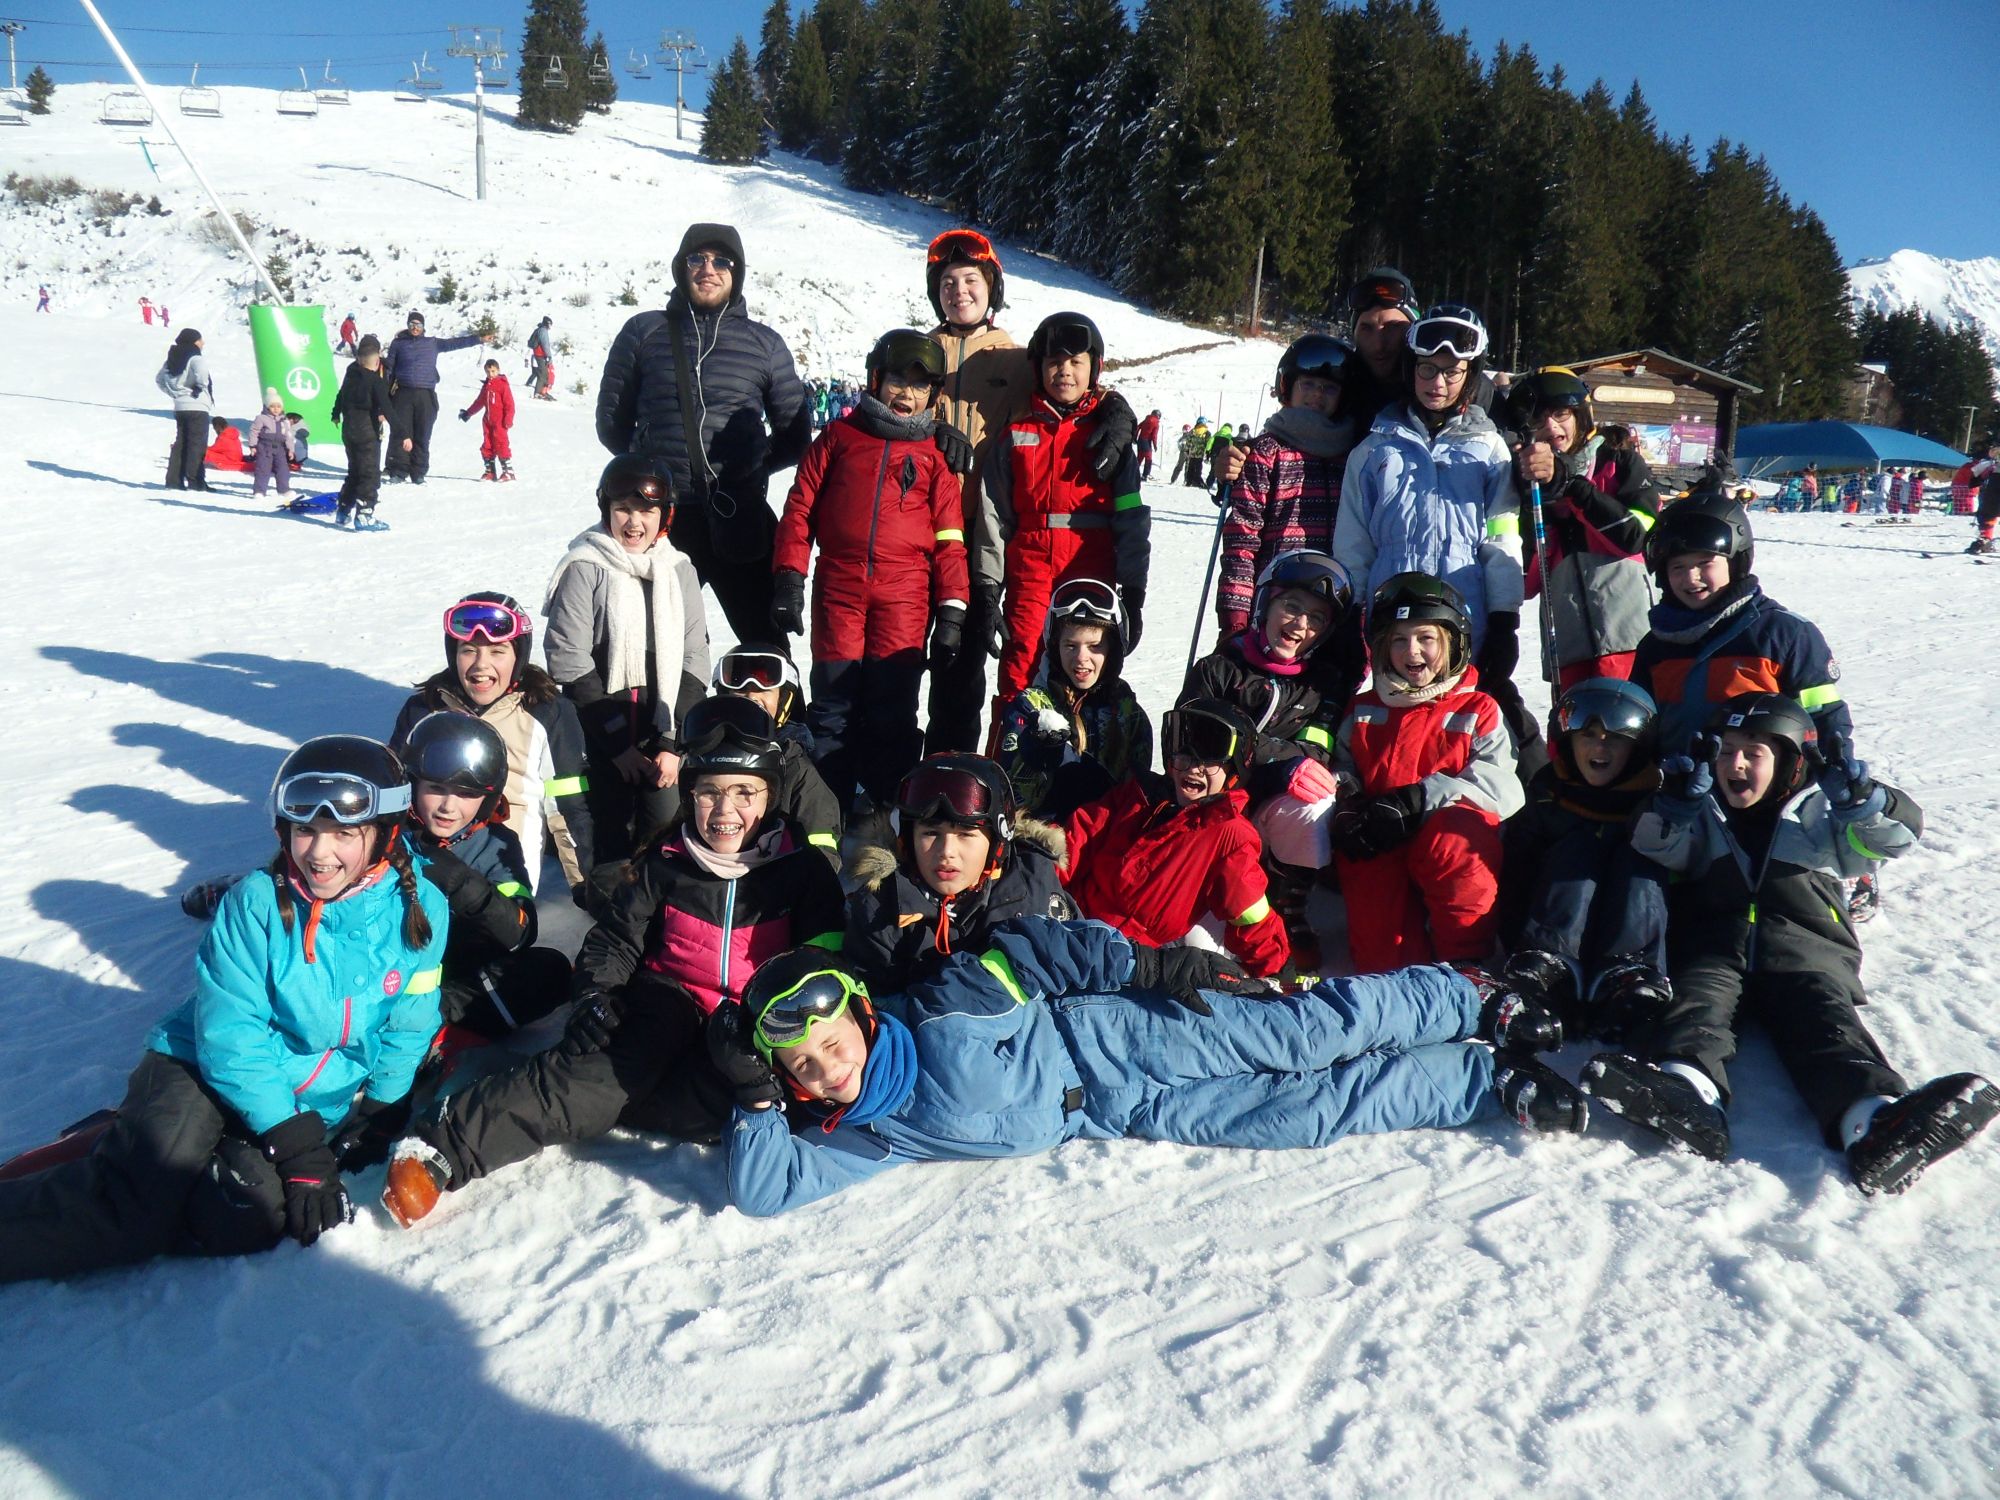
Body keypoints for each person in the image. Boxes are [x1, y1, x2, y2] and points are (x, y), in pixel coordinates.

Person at [706, 920, 1582, 1218]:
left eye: (833, 1044)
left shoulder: (942, 1007)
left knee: (1304, 1034)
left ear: (862, 1016)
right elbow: (764, 1187)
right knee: (1305, 1113)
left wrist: (1147, 968)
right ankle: (1481, 1082)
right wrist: (750, 1095)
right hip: (1122, 1113)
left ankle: (1466, 998)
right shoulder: (871, 1132)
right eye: (804, 1070)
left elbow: (1040, 952)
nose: (828, 1072)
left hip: (1131, 1032)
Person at [379, 705, 847, 1227]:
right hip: (669, 1000)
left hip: (753, 1020)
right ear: (689, 794)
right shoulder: (665, 862)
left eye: (744, 792)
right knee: (599, 1081)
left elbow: (822, 968)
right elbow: (616, 941)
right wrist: (595, 996)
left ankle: (640, 1096)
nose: (724, 809)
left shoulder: (803, 873)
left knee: (727, 1099)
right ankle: (447, 1142)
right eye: (710, 791)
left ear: (771, 796)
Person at [0, 738, 446, 1281]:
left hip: (305, 1097)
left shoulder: (423, 907)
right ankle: (134, 1170)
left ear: (383, 834)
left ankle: (147, 1158)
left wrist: (382, 1107)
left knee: (246, 1215)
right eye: (305, 830)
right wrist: (297, 1144)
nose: (320, 854)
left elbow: (412, 1019)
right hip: (198, 1069)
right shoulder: (255, 904)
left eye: (345, 834)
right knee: (133, 1210)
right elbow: (230, 1035)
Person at [1583, 695, 1998, 1195]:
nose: (1734, 764)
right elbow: (1655, 845)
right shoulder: (1704, 805)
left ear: (1787, 761)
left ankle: (1873, 1122)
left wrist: (1865, 803)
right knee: (1696, 1009)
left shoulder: (1823, 813)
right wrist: (1673, 806)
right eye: (1726, 750)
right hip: (1716, 947)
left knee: (1825, 1024)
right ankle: (1687, 1093)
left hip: (1805, 952)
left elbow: (1893, 840)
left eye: (1752, 753)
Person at [771, 328, 968, 817]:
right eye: (898, 379)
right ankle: (825, 815)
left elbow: (950, 540)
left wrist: (952, 609)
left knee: (892, 712)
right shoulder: (839, 438)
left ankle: (886, 815)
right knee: (833, 708)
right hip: (839, 588)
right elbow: (800, 510)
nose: (907, 393)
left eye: (920, 385)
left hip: (905, 599)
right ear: (876, 380)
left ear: (933, 396)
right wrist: (790, 576)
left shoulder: (934, 458)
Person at [595, 222, 813, 644]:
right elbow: (611, 422)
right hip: (661, 521)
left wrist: (749, 468)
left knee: (764, 642)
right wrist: (652, 471)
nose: (708, 269)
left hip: (740, 516)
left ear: (737, 273)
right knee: (655, 645)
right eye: (697, 258)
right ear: (681, 268)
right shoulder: (644, 332)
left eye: (721, 261)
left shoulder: (764, 344)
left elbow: (794, 434)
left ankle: (777, 711)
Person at [1329, 573, 1522, 974]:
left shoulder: (1477, 708)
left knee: (1454, 842)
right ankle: (1394, 981)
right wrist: (1348, 803)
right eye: (1399, 640)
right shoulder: (1364, 708)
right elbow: (1342, 767)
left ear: (1452, 642)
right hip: (1383, 832)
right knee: (1368, 885)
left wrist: (1422, 798)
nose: (1411, 650)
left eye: (1425, 638)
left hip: (1445, 834)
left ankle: (1468, 963)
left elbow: (1501, 784)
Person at [1184, 551, 1360, 966]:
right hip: (1209, 811)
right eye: (1292, 607)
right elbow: (1198, 739)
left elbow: (1315, 752)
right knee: (1199, 950)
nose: (1300, 626)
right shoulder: (1219, 669)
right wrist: (1279, 760)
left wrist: (1278, 765)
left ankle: (1288, 903)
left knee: (1317, 800)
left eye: (1316, 619)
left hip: (1266, 804)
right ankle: (1218, 898)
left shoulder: (1322, 685)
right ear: (1267, 605)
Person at [1336, 304, 1524, 693]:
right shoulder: (1374, 450)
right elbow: (1353, 543)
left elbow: (1501, 539)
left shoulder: (1489, 450)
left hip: (1464, 619)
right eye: (1428, 368)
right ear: (1411, 369)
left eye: (1452, 371)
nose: (1438, 382)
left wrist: (1505, 619)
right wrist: (1351, 615)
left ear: (1470, 376)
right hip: (1393, 623)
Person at [978, 312, 1148, 733]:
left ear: (1095, 368)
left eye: (1076, 362)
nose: (1065, 372)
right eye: (1055, 362)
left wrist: (1135, 589)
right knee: (1022, 665)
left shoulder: (1111, 436)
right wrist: (986, 586)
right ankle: (1009, 768)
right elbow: (993, 515)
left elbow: (1130, 515)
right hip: (1031, 564)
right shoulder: (1017, 432)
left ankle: (1088, 764)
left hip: (1091, 565)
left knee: (1087, 665)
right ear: (1038, 367)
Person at [544, 455, 709, 867]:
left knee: (666, 831)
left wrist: (671, 744)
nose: (634, 524)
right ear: (607, 511)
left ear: (664, 516)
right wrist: (617, 746)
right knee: (607, 832)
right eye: (623, 510)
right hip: (601, 731)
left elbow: (695, 656)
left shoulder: (678, 570)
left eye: (646, 512)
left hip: (661, 730)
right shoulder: (585, 566)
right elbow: (568, 656)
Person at [390, 591, 596, 900]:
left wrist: (585, 886)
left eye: (497, 651)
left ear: (518, 656)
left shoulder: (546, 711)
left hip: (504, 869)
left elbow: (566, 807)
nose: (480, 665)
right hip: (422, 867)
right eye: (468, 650)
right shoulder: (424, 710)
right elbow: (394, 797)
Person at [1063, 699, 1291, 978]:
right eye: (1185, 755)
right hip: (1070, 923)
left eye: (1209, 760)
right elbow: (1076, 842)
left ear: (1234, 771)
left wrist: (1271, 967)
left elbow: (1248, 909)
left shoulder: (1228, 833)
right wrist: (1041, 888)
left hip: (1130, 959)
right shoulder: (1136, 798)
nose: (1193, 768)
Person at [925, 231, 1046, 755]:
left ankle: (953, 764)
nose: (959, 291)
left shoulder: (1015, 358)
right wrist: (931, 432)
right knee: (902, 656)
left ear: (991, 287)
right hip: (919, 527)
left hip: (980, 532)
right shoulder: (920, 352)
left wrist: (1114, 410)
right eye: (947, 283)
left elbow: (1071, 390)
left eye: (970, 280)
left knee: (964, 662)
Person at [1496, 677, 1669, 1041]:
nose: (1599, 747)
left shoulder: (1657, 799)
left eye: (1616, 738)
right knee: (1578, 850)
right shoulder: (1548, 794)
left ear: (1639, 747)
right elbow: (1515, 873)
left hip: (1629, 926)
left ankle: (1630, 976)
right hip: (1556, 928)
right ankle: (1547, 966)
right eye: (1587, 735)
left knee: (1640, 857)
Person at [397, 711, 572, 1065]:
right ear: (412, 784)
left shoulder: (496, 842)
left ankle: (438, 1030)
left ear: (487, 797)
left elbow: (520, 932)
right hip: (388, 974)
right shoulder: (387, 834)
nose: (448, 806)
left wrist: (461, 883)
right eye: (435, 789)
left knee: (548, 970)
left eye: (466, 793)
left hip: (457, 976)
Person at [1629, 489, 1853, 764]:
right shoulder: (1657, 646)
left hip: (1760, 795)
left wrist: (1835, 773)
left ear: (1735, 564)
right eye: (1678, 567)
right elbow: (1639, 728)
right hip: (1678, 796)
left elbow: (1824, 718)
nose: (1691, 577)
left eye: (1705, 563)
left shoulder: (1783, 634)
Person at [845, 754, 1072, 992]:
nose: (946, 852)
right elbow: (874, 1010)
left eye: (966, 834)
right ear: (907, 840)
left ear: (997, 842)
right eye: (930, 833)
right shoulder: (880, 909)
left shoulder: (1034, 887)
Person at [1508, 366, 1661, 688]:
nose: (1550, 427)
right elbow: (1526, 582)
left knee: (1624, 726)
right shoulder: (1528, 481)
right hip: (1568, 638)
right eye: (1538, 419)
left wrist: (1571, 487)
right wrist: (1534, 500)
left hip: (1627, 635)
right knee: (1571, 730)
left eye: (1561, 414)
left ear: (1581, 414)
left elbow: (1635, 538)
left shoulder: (1617, 461)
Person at [1217, 335, 1361, 643]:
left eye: (1329, 388)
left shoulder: (1351, 457)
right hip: (1273, 603)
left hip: (1330, 603)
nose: (1317, 396)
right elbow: (1242, 540)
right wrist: (1235, 617)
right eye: (1308, 385)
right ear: (1288, 386)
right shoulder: (1267, 452)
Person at [993, 579, 1153, 822]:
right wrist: (1038, 758)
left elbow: (1137, 796)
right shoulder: (1030, 708)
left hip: (1107, 838)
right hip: (1046, 840)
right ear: (1054, 646)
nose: (1081, 658)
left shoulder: (1129, 714)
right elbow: (1013, 799)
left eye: (1094, 646)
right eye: (1070, 646)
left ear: (1113, 650)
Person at [708, 646, 842, 863]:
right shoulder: (707, 759)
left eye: (764, 690)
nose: (751, 696)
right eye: (740, 690)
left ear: (783, 701)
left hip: (774, 886)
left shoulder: (795, 768)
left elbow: (822, 851)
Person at [382, 309, 494, 485]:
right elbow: (389, 369)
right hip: (403, 393)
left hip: (426, 395)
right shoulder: (398, 344)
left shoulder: (432, 343)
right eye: (412, 324)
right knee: (401, 434)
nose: (415, 328)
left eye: (418, 325)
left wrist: (478, 339)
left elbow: (454, 343)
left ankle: (418, 473)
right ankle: (398, 471)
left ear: (423, 327)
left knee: (422, 434)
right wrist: (384, 397)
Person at [1341, 268, 1421, 427]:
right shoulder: (1336, 388)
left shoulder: (1448, 386)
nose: (1378, 345)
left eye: (1393, 327)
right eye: (1366, 328)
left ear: (1414, 329)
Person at [330, 333, 394, 530]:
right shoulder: (366, 375)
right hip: (366, 430)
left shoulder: (360, 370)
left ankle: (343, 510)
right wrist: (403, 433)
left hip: (352, 429)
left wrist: (336, 413)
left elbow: (342, 393)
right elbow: (384, 404)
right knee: (369, 473)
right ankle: (365, 515)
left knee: (355, 471)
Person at [155, 327, 214, 493]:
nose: (203, 343)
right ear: (194, 341)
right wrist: (199, 386)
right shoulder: (195, 357)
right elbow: (202, 375)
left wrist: (176, 393)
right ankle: (196, 482)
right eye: (200, 339)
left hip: (180, 406)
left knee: (180, 443)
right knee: (197, 445)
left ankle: (174, 481)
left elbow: (159, 380)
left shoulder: (172, 358)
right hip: (197, 405)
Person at [459, 357, 517, 482]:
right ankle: (490, 472)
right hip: (488, 421)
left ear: (498, 371)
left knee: (501, 444)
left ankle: (508, 472)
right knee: (487, 445)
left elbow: (510, 404)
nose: (491, 374)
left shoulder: (503, 386)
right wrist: (468, 413)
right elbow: (479, 401)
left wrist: (508, 419)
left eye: (493, 371)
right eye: (488, 372)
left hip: (500, 421)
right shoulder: (486, 386)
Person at [247, 387, 295, 498]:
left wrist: (290, 449)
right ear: (267, 407)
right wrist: (253, 445)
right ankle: (259, 491)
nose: (276, 409)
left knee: (282, 469)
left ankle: (283, 489)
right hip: (265, 447)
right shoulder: (262, 418)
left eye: (278, 406)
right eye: (272, 406)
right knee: (263, 469)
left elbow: (289, 435)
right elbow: (254, 431)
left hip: (280, 448)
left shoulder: (285, 421)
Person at [1969, 438, 2000, 553]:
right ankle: (1985, 539)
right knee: (1988, 511)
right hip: (1996, 478)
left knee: (1989, 510)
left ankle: (1985, 539)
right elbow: (1991, 455)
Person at [527, 316, 556, 401]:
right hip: (540, 354)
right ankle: (538, 392)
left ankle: (543, 391)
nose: (550, 326)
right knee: (542, 374)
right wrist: (549, 356)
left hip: (539, 354)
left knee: (545, 373)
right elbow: (545, 345)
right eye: (550, 324)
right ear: (547, 323)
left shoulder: (540, 329)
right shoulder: (543, 331)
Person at [1137, 409, 1161, 480]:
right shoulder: (1156, 423)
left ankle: (1132, 472)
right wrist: (1155, 445)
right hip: (1147, 441)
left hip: (1140, 440)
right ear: (1158, 416)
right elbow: (1154, 435)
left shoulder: (1146, 419)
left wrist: (1135, 437)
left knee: (1139, 458)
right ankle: (1145, 475)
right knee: (1148, 459)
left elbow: (1138, 427)